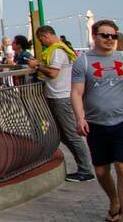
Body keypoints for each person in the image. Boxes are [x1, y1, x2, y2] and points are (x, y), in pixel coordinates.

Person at [72, 19, 123, 222]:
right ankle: (114, 199)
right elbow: (76, 92)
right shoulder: (83, 61)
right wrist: (80, 117)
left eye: (113, 36)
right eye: (105, 36)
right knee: (102, 171)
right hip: (96, 122)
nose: (110, 40)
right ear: (95, 36)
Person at [31, 26, 94, 181]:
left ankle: (86, 170)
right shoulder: (61, 49)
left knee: (71, 135)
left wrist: (37, 66)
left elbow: (53, 73)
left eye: (41, 39)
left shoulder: (57, 51)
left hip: (60, 96)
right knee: (63, 134)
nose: (41, 42)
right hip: (58, 95)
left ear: (45, 36)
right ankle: (83, 166)